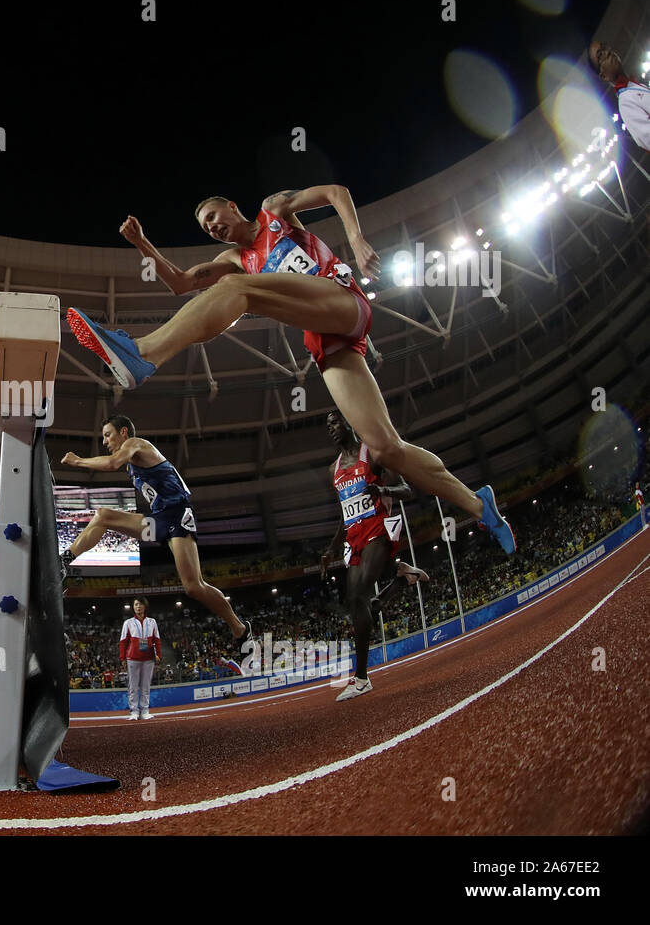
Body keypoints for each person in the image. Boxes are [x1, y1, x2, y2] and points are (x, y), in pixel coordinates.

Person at [65, 187, 516, 555]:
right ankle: (480, 506)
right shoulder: (234, 261)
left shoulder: (273, 211)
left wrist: (355, 239)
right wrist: (144, 244)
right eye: (205, 227)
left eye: (214, 216)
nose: (213, 227)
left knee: (237, 290)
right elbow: (183, 283)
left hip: (341, 301)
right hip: (327, 342)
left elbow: (336, 192)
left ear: (232, 206)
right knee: (385, 446)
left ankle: (142, 352)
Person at [60, 414, 253, 652]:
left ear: (123, 433)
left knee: (193, 586)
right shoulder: (132, 463)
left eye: (108, 435)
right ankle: (64, 561)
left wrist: (78, 461)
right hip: (158, 520)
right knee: (102, 516)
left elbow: (111, 463)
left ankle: (240, 628)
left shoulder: (135, 444)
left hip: (176, 516)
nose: (104, 441)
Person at [319, 409, 429, 701]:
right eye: (327, 426)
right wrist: (331, 549)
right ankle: (402, 580)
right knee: (357, 603)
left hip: (378, 527)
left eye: (335, 422)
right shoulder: (334, 469)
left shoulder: (373, 453)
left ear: (348, 422)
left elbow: (406, 489)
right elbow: (344, 514)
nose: (331, 429)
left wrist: (382, 489)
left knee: (358, 597)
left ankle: (362, 678)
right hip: (353, 536)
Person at [589, 41, 650, 152]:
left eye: (606, 48)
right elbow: (647, 138)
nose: (608, 53)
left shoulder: (636, 86)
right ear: (604, 76)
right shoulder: (625, 101)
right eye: (601, 55)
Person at [119, 597, 161, 720]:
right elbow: (123, 642)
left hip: (148, 658)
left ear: (145, 606)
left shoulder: (152, 622)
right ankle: (134, 712)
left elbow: (157, 640)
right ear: (133, 607)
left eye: (140, 604)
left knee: (145, 686)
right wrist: (122, 658)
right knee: (133, 686)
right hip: (132, 658)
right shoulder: (128, 623)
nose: (138, 607)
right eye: (136, 604)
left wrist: (158, 654)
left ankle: (145, 711)